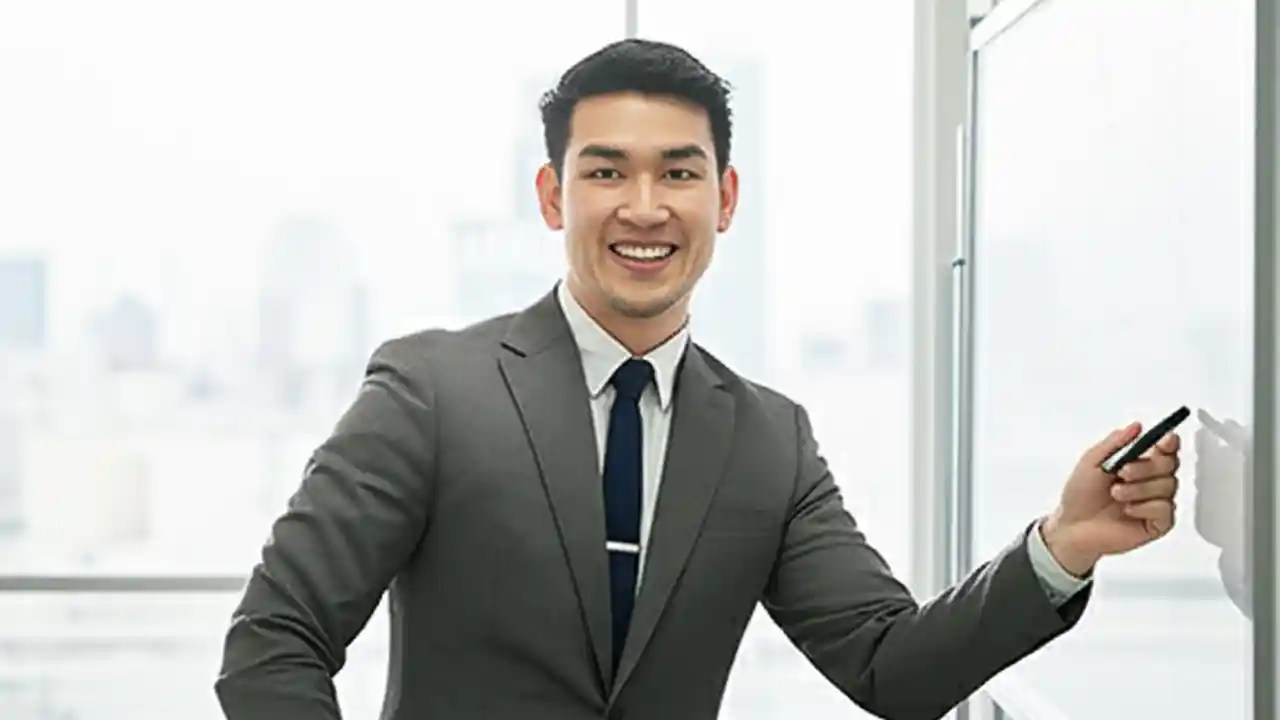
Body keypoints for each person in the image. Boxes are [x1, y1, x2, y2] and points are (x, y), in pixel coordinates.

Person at [215, 38, 1181, 720]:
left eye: (679, 174)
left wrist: (1065, 545)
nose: (645, 207)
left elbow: (896, 672)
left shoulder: (769, 439)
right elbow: (274, 640)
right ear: (553, 196)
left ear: (724, 197)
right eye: (606, 173)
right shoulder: (432, 390)